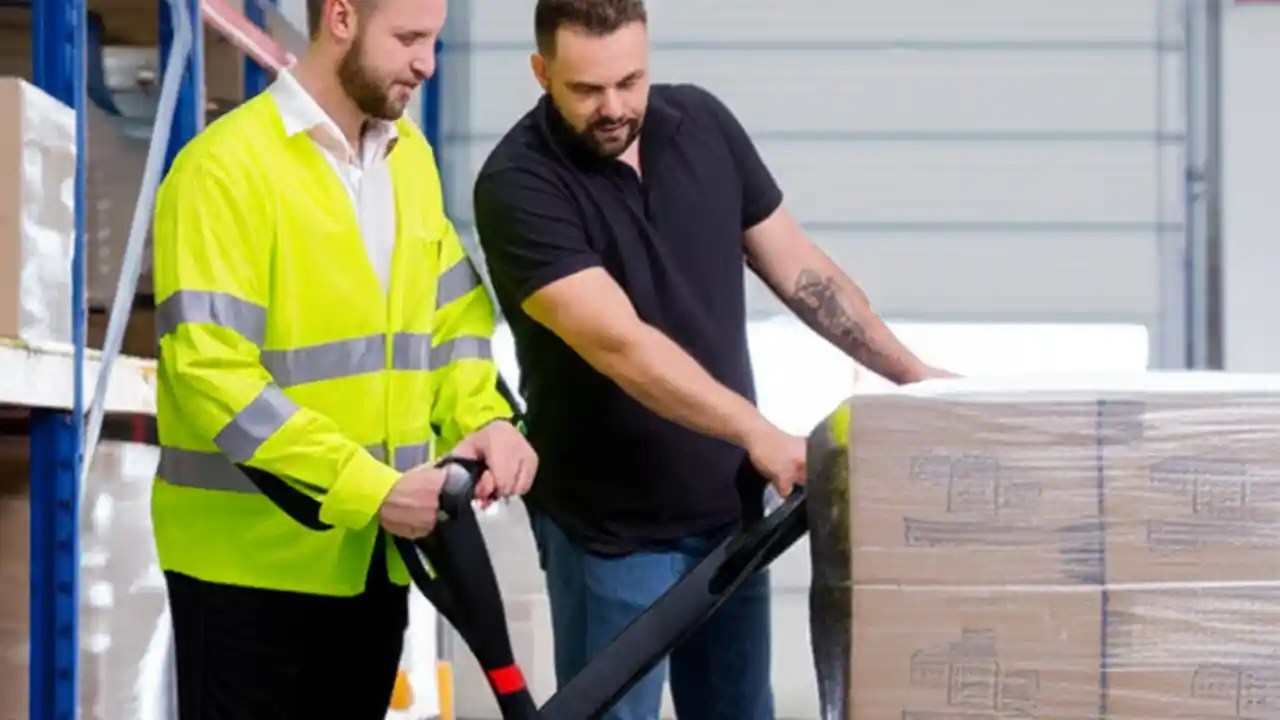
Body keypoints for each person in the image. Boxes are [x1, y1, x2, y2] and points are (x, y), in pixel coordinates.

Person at [471, 0, 954, 718]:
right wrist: (758, 433)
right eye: (586, 89)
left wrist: (919, 382)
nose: (613, 107)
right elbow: (620, 345)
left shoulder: (701, 124)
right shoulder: (517, 183)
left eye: (629, 81)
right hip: (611, 536)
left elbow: (800, 272)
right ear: (542, 72)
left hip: (730, 522)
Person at [149, 0, 537, 717]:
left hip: (372, 565)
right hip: (249, 572)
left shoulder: (407, 158)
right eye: (410, 39)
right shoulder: (222, 170)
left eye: (435, 39)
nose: (428, 62)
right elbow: (212, 373)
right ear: (340, 18)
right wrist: (376, 490)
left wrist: (484, 418)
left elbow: (451, 314)